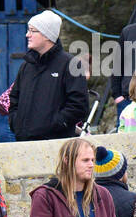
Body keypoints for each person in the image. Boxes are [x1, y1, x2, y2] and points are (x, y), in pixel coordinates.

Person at [8, 10, 89, 142]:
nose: (27, 34)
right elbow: (14, 98)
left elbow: (79, 105)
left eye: (32, 31)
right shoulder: (26, 66)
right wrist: (16, 122)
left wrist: (55, 124)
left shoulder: (70, 64)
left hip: (56, 144)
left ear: (46, 35)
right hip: (24, 143)